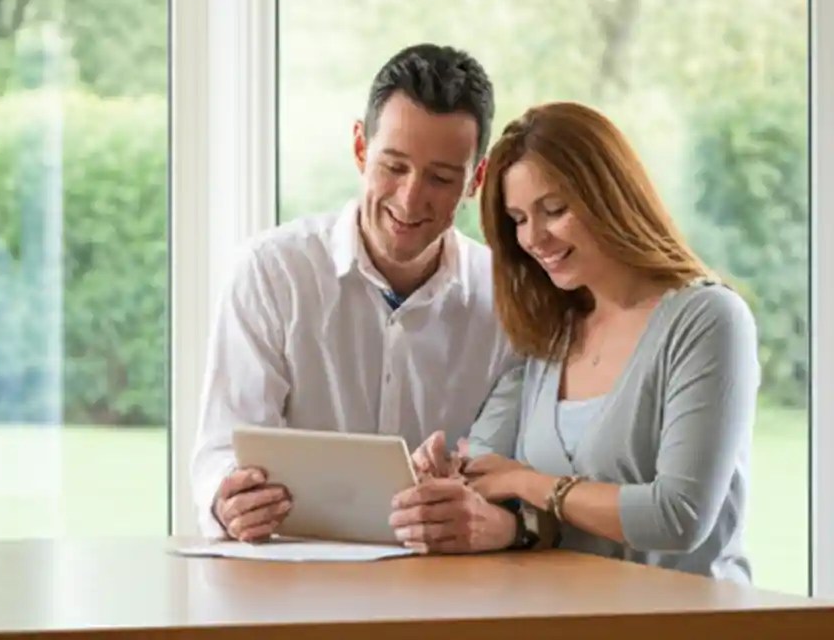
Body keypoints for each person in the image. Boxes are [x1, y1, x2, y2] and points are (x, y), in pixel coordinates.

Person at [403, 101, 758, 582]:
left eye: (554, 210)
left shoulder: (707, 320)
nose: (534, 238)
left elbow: (677, 516)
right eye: (518, 219)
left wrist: (528, 483)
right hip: (565, 616)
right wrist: (453, 480)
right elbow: (489, 475)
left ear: (610, 195)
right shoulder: (548, 332)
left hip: (683, 623)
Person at [190, 43, 521, 546]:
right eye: (394, 166)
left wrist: (481, 507)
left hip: (443, 588)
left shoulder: (504, 300)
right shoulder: (271, 273)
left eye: (440, 177)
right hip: (289, 583)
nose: (410, 198)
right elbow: (221, 449)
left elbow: (515, 475)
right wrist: (227, 499)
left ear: (476, 178)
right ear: (361, 148)